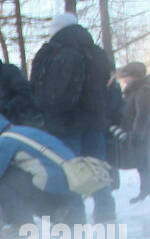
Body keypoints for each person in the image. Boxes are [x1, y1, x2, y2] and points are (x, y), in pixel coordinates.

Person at [30, 13, 114, 222]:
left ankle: (73, 216)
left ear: (56, 30)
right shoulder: (97, 53)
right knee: (96, 167)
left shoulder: (54, 52)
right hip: (94, 121)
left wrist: (46, 114)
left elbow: (47, 90)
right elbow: (108, 86)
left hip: (65, 122)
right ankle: (106, 210)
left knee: (69, 169)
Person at [0, 112, 85, 232]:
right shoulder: (23, 131)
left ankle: (21, 225)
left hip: (52, 188)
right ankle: (66, 214)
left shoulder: (3, 142)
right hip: (73, 187)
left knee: (3, 178)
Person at [114, 62, 150, 203]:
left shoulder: (143, 91)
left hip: (141, 134)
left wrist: (137, 134)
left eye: (126, 77)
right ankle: (145, 192)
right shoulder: (135, 91)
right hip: (136, 133)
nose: (124, 80)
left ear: (134, 77)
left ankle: (146, 192)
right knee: (141, 163)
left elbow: (143, 115)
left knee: (143, 163)